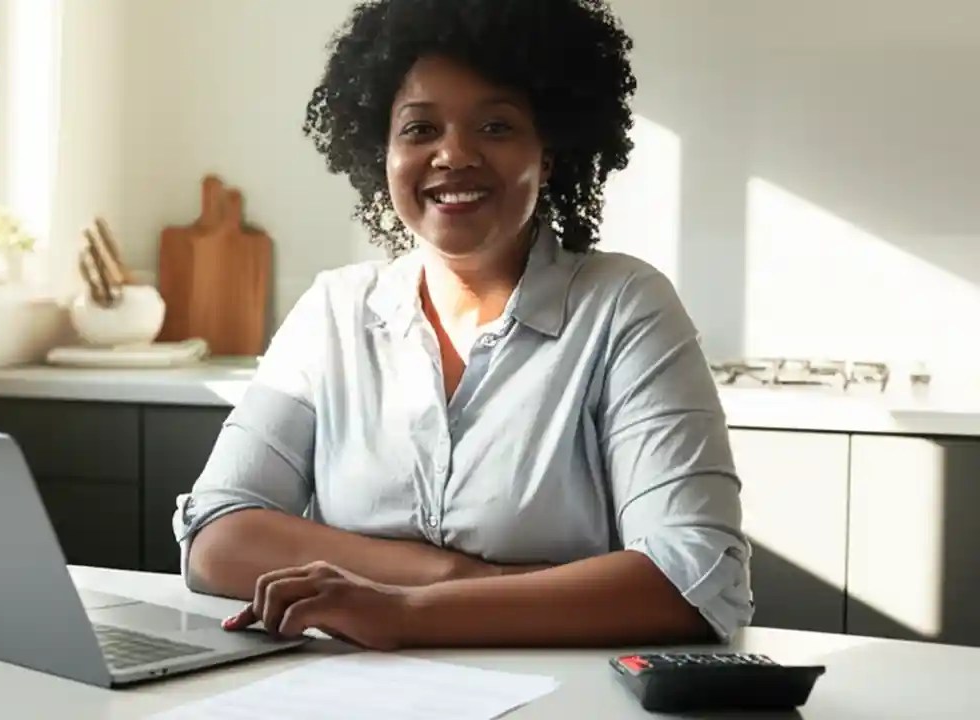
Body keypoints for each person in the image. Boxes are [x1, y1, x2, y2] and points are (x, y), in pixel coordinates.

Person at [172, 0, 752, 651]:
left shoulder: (624, 306)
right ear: (382, 152)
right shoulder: (333, 310)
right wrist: (452, 577)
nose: (454, 154)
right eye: (419, 129)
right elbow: (217, 538)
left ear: (550, 152)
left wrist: (408, 612)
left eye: (497, 126)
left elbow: (695, 577)